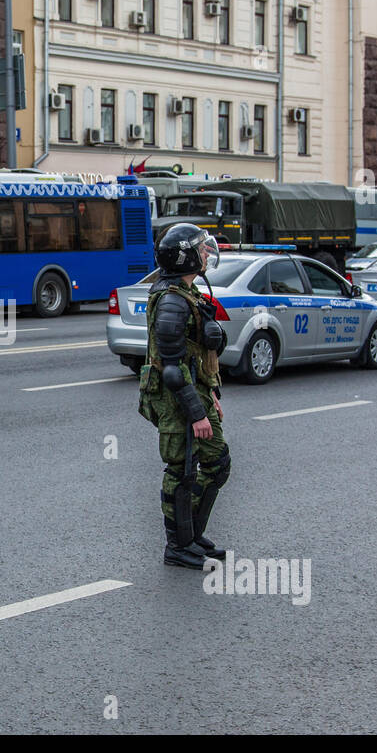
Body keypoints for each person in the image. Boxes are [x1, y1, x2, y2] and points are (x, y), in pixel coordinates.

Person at [137, 223, 231, 570]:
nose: (208, 253)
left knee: (210, 466)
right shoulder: (172, 301)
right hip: (176, 400)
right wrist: (197, 414)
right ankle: (177, 545)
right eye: (201, 249)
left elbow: (197, 357)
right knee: (183, 469)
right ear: (185, 256)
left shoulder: (185, 293)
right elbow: (172, 368)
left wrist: (212, 394)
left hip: (194, 391)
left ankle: (190, 536)